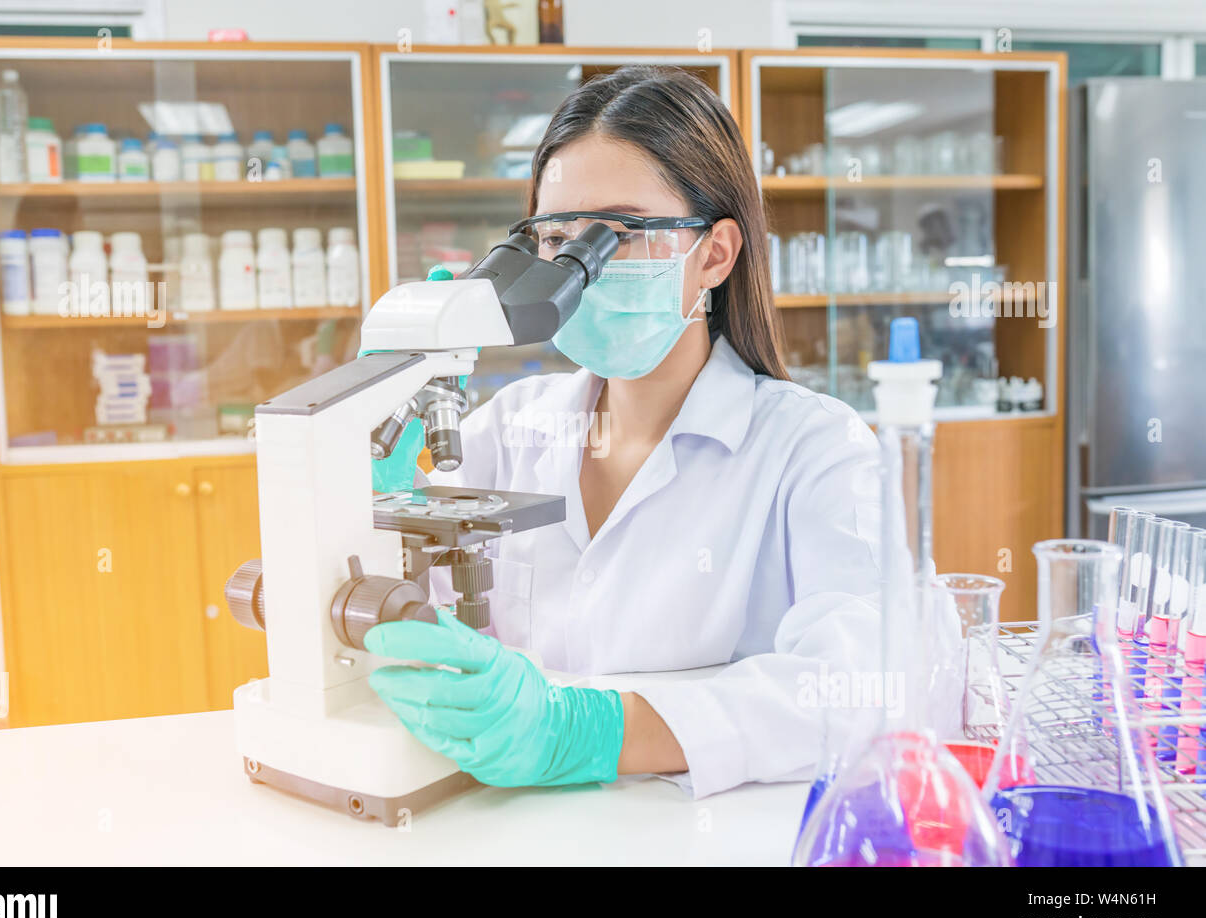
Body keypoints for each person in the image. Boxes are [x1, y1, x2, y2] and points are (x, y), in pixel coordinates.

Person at [364, 66, 883, 800]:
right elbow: (389, 616)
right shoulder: (508, 429)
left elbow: (864, 680)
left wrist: (589, 731)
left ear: (714, 253)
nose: (581, 273)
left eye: (619, 235)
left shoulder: (815, 450)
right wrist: (357, 467)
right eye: (558, 241)